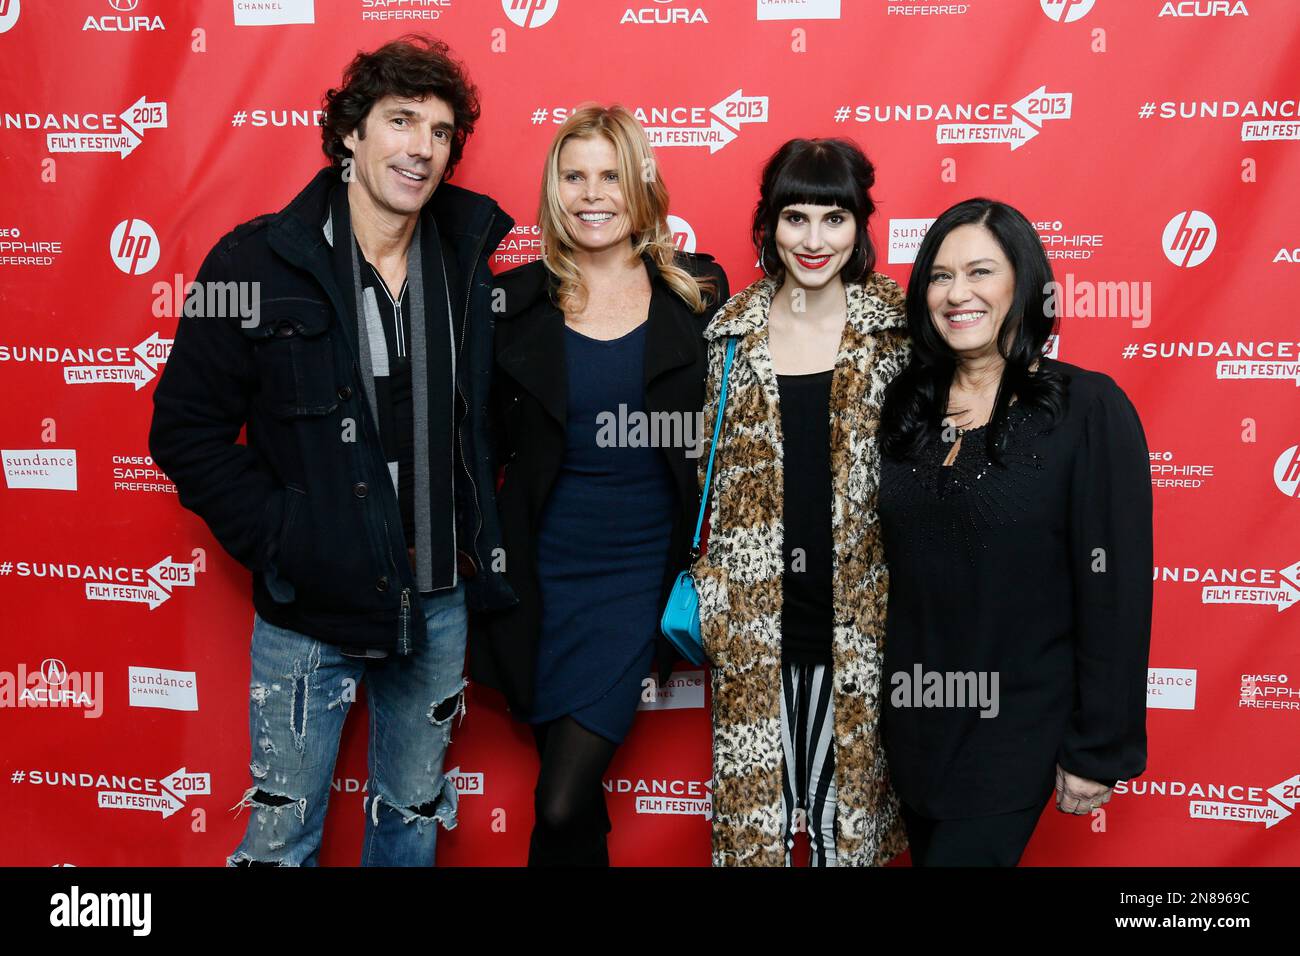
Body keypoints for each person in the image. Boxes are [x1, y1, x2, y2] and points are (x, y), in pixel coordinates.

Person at [148, 35, 517, 866]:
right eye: (400, 121)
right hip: (309, 610)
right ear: (350, 132)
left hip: (438, 602)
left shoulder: (466, 261)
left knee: (411, 818)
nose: (422, 147)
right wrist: (289, 535)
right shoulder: (257, 260)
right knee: (282, 837)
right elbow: (185, 432)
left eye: (441, 130)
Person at [470, 105, 728, 866]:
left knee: (557, 802)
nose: (592, 194)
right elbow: (474, 445)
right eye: (574, 176)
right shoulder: (512, 306)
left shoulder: (697, 296)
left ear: (640, 183)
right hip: (539, 576)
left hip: (636, 576)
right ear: (554, 189)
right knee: (573, 807)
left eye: (610, 175)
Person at [877, 198, 1153, 866]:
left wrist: (1099, 748)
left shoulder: (1086, 407)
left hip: (1017, 724)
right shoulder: (905, 407)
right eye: (940, 276)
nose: (958, 293)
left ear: (1024, 285)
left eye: (980, 272)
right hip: (913, 727)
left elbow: (1114, 589)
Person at [691, 138, 909, 866]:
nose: (814, 241)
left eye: (834, 219)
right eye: (795, 218)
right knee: (756, 845)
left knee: (850, 843)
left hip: (867, 635)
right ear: (768, 225)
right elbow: (704, 479)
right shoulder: (727, 335)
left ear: (860, 226)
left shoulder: (901, 334)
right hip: (754, 636)